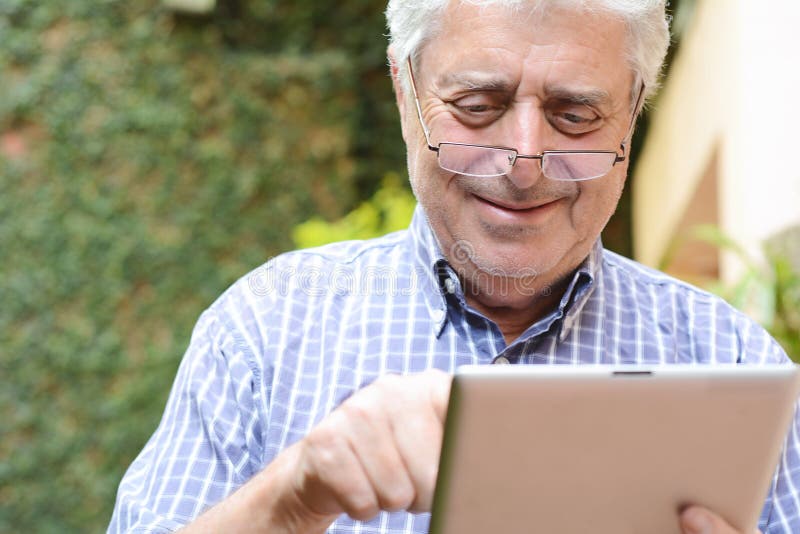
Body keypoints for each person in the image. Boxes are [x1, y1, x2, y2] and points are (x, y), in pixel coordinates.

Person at [107, 1, 800, 533]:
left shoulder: (737, 363)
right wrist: (294, 495)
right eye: (477, 107)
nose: (524, 162)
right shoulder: (262, 332)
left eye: (575, 116)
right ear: (405, 95)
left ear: (633, 111)